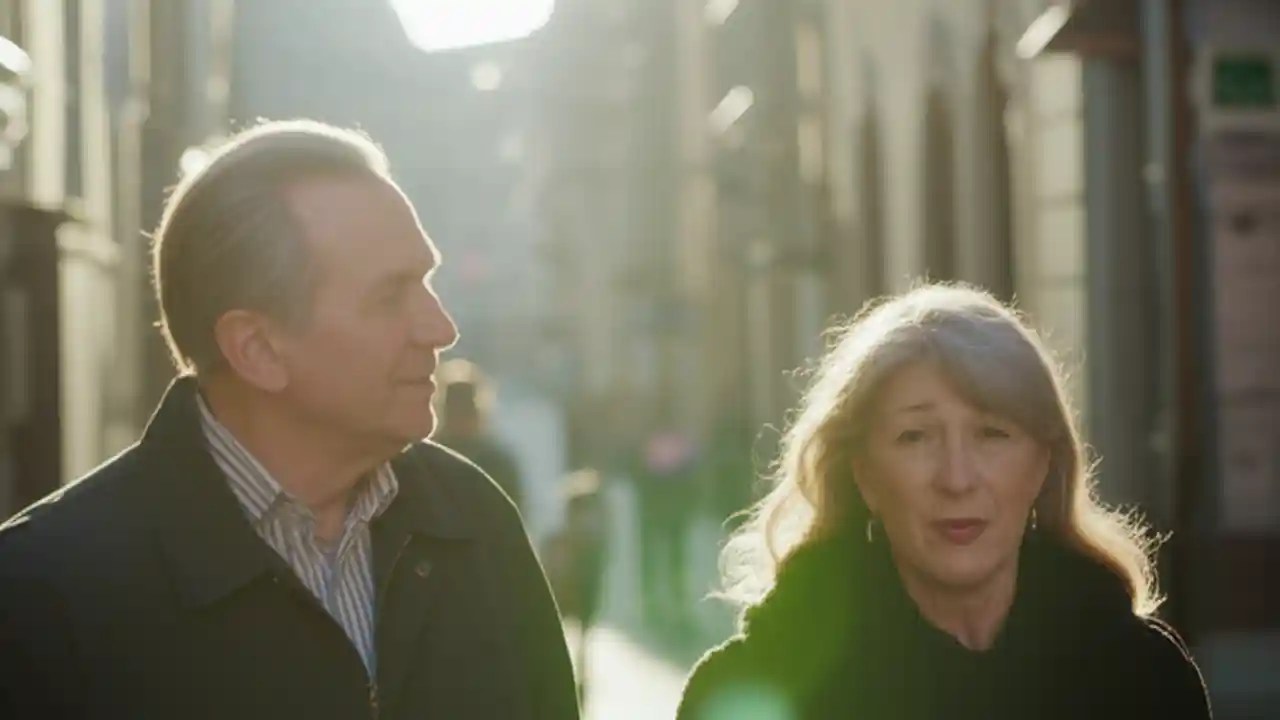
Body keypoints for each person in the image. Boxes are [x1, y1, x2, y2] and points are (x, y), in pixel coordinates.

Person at [0, 120, 578, 719]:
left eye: (427, 282)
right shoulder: (44, 595)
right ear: (257, 349)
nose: (441, 328)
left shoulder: (472, 521)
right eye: (389, 297)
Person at [678, 284, 1212, 720]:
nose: (957, 478)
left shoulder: (1143, 679)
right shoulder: (748, 689)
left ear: (1044, 463)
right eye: (915, 437)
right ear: (862, 473)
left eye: (992, 434)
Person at [433, 358, 524, 512]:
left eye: (466, 409)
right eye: (456, 409)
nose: (461, 417)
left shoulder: (497, 462)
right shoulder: (427, 459)